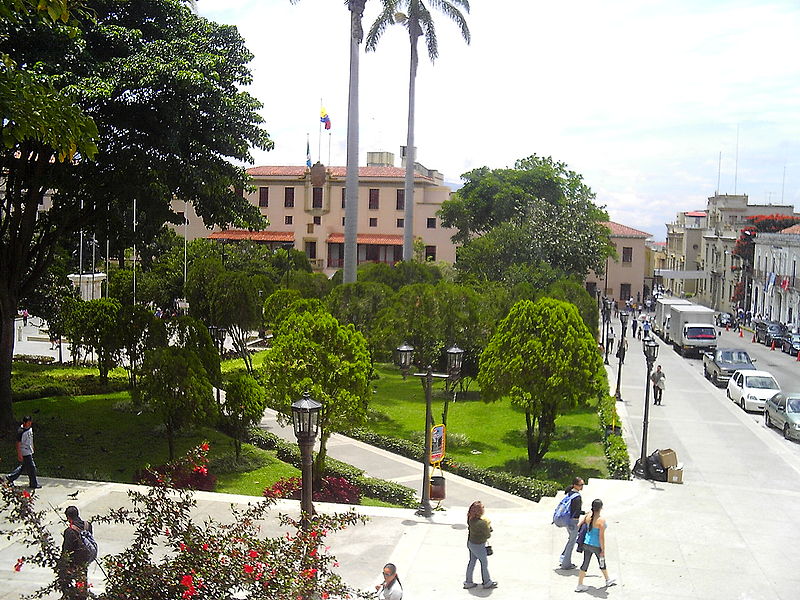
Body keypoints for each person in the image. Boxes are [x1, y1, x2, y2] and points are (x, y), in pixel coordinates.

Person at [575, 499, 616, 592]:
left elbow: (579, 524)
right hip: (596, 545)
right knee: (602, 563)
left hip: (586, 543)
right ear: (601, 508)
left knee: (585, 564)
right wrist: (603, 550)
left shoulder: (588, 515)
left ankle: (579, 584)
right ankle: (607, 580)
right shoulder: (601, 520)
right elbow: (601, 537)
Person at [58, 506, 93, 599]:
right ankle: (83, 596)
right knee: (82, 580)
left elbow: (66, 549)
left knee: (67, 581)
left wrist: (63, 563)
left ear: (68, 517)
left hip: (74, 561)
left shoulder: (69, 531)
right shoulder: (88, 525)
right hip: (85, 558)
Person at [464, 501, 497, 589]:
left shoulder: (470, 519)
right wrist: (488, 528)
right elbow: (488, 535)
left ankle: (468, 582)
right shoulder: (482, 523)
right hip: (479, 545)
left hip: (471, 543)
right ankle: (487, 582)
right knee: (484, 563)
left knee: (472, 562)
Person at [6, 416, 40, 489]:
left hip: (29, 450)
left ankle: (10, 477)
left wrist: (32, 446)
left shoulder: (30, 429)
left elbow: (31, 438)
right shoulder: (21, 431)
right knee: (32, 467)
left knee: (24, 466)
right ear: (24, 423)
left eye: (30, 422)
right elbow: (18, 443)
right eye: (28, 423)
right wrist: (19, 454)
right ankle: (33, 483)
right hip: (24, 451)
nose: (29, 424)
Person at [559, 477, 584, 570]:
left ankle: (563, 558)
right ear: (575, 485)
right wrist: (584, 514)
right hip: (573, 522)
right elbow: (576, 512)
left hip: (567, 521)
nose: (582, 487)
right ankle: (566, 564)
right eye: (581, 485)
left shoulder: (570, 493)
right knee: (572, 542)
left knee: (571, 540)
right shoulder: (577, 497)